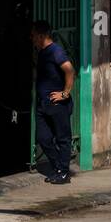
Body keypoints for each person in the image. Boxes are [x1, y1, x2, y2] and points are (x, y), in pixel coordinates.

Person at [31, 19, 75, 185]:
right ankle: (58, 167)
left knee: (63, 139)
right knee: (43, 138)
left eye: (34, 35)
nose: (32, 38)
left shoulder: (55, 51)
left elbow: (70, 70)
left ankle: (63, 172)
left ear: (42, 36)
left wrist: (65, 93)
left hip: (58, 105)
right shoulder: (42, 52)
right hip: (44, 104)